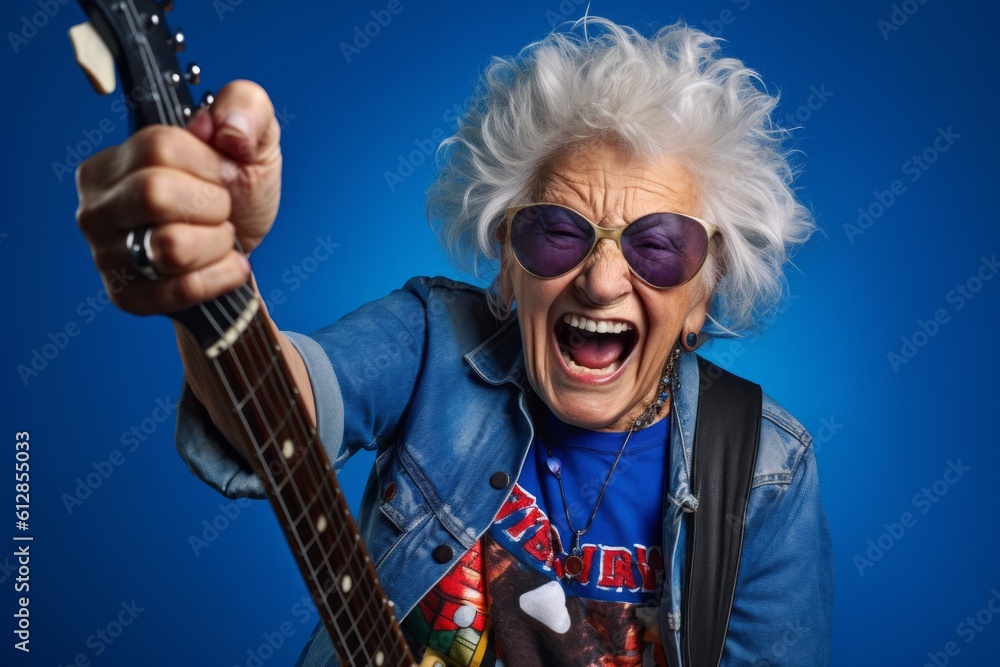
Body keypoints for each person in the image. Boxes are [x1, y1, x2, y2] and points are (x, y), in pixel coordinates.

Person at [76, 17, 833, 666]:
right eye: (557, 230)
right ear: (506, 262)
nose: (601, 282)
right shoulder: (430, 339)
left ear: (702, 296)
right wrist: (210, 280)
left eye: (659, 246)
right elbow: (278, 411)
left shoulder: (766, 472)